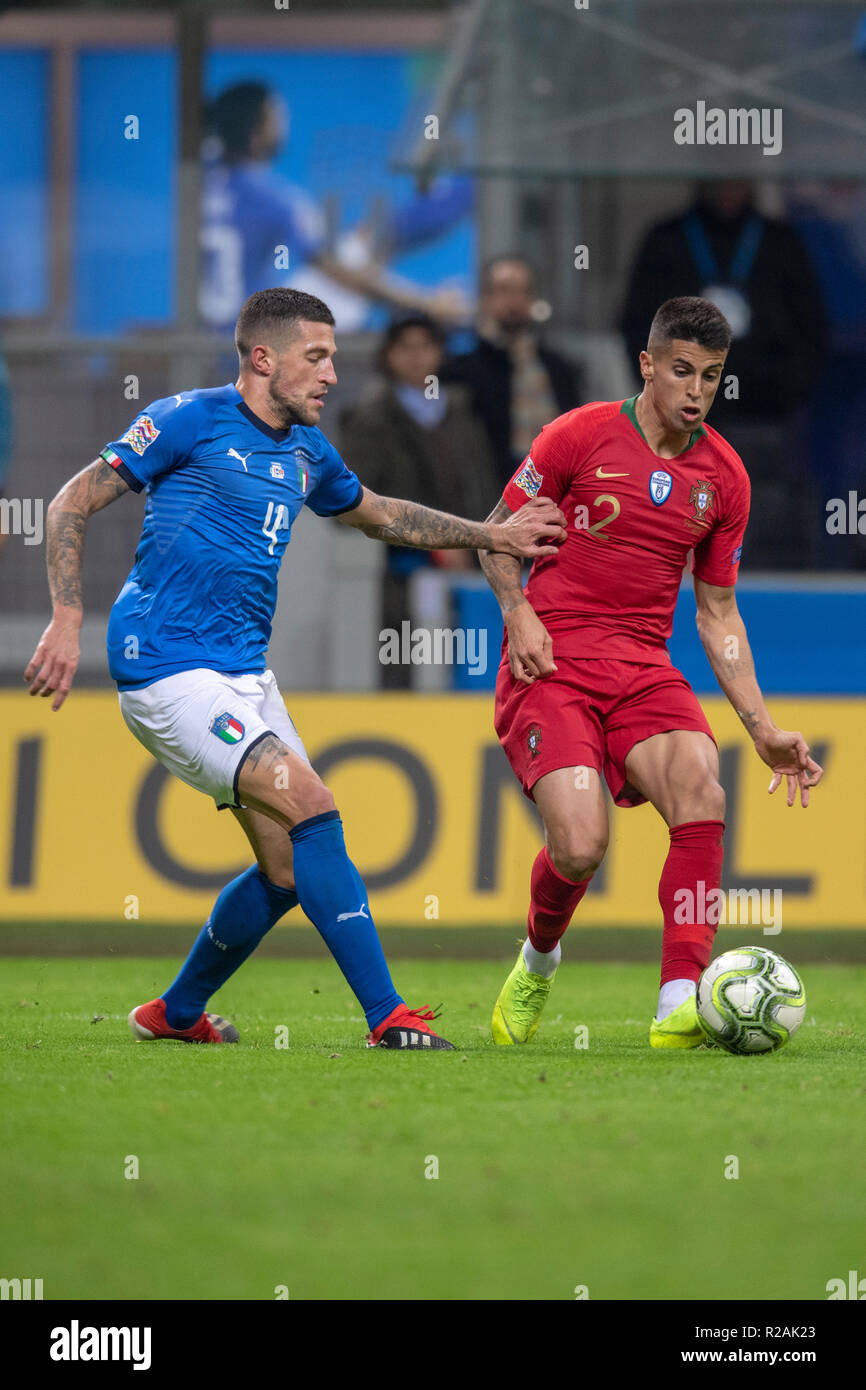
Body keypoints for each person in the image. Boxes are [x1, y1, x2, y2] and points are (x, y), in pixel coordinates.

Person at [23, 288, 565, 1052]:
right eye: (317, 357)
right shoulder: (186, 418)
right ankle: (388, 1018)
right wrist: (70, 617)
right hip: (167, 668)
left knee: (285, 870)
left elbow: (377, 512)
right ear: (262, 358)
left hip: (244, 673)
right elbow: (70, 503)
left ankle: (175, 1014)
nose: (332, 375)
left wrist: (489, 532)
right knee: (310, 802)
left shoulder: (309, 451)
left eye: (334, 358)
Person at [478, 296, 823, 1050]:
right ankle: (538, 958)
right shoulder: (577, 434)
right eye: (681, 371)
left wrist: (762, 729)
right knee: (579, 845)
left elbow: (719, 614)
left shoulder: (725, 478)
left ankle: (678, 998)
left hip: (641, 667)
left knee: (702, 782)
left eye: (709, 375)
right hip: (553, 662)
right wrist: (518, 612)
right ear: (647, 365)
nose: (696, 390)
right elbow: (495, 539)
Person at [620, 181, 827, 566]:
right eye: (720, 178)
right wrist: (661, 399)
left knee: (761, 516)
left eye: (738, 178)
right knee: (677, 501)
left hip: (763, 415)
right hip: (678, 418)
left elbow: (812, 331)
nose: (728, 189)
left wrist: (784, 393)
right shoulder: (668, 239)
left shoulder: (779, 241)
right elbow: (635, 325)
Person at [200, 82, 468, 333]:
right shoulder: (279, 201)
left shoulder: (199, 175)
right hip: (250, 341)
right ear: (257, 133)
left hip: (203, 330)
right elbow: (337, 270)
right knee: (355, 252)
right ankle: (464, 194)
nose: (285, 124)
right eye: (276, 118)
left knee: (356, 242)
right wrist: (426, 303)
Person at [339, 314, 498, 688]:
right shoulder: (370, 418)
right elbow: (350, 503)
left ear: (440, 354)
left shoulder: (462, 413)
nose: (415, 358)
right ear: (388, 356)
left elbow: (483, 488)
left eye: (425, 347)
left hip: (471, 565)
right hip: (402, 572)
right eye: (404, 348)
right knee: (411, 669)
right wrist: (433, 546)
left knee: (471, 667)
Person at [446, 254, 581, 490]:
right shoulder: (460, 372)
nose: (514, 301)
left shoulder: (560, 369)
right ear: (485, 298)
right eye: (504, 291)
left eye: (523, 292)